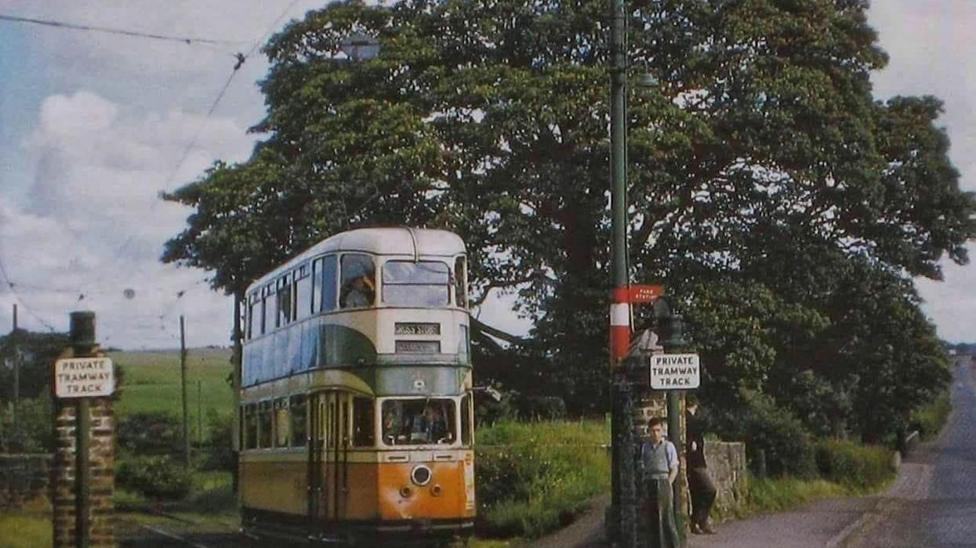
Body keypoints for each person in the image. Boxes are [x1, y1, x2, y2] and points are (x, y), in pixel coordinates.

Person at [640, 416, 680, 548]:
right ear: (649, 431)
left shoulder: (668, 446)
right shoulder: (645, 447)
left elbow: (674, 468)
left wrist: (668, 483)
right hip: (649, 482)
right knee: (651, 519)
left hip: (663, 482)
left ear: (662, 431)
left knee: (666, 518)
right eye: (652, 431)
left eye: (658, 430)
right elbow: (643, 466)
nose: (655, 433)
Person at [686, 396, 717, 534]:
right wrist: (691, 443)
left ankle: (699, 522)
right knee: (709, 490)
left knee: (698, 493)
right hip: (694, 462)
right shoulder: (688, 419)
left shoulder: (691, 419)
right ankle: (700, 520)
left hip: (697, 461)